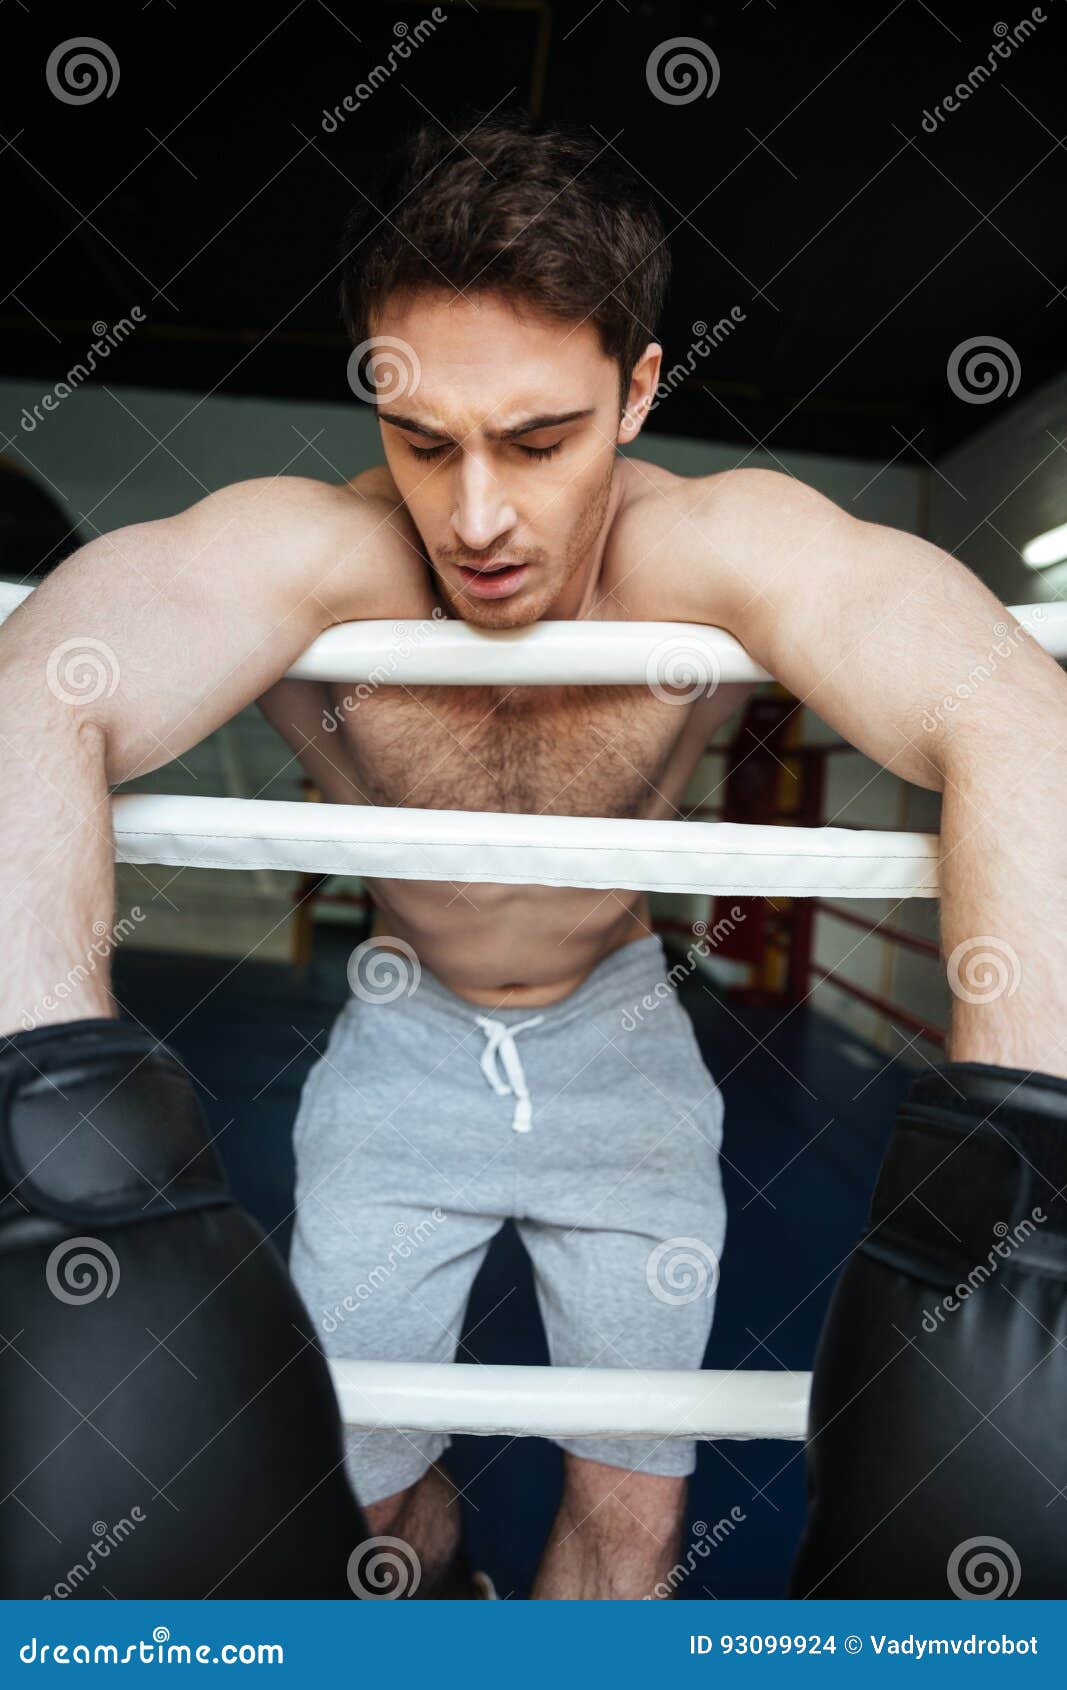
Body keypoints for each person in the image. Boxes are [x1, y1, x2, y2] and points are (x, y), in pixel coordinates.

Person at [2, 109, 1065, 1601]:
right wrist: (51, 1153)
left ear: (637, 391)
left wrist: (1037, 1204)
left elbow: (1008, 706)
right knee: (361, 1510)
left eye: (540, 440)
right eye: (424, 441)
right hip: (401, 1049)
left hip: (622, 1051)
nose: (479, 515)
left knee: (632, 1519)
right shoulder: (325, 556)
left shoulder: (705, 550)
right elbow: (45, 683)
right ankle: (435, 1565)